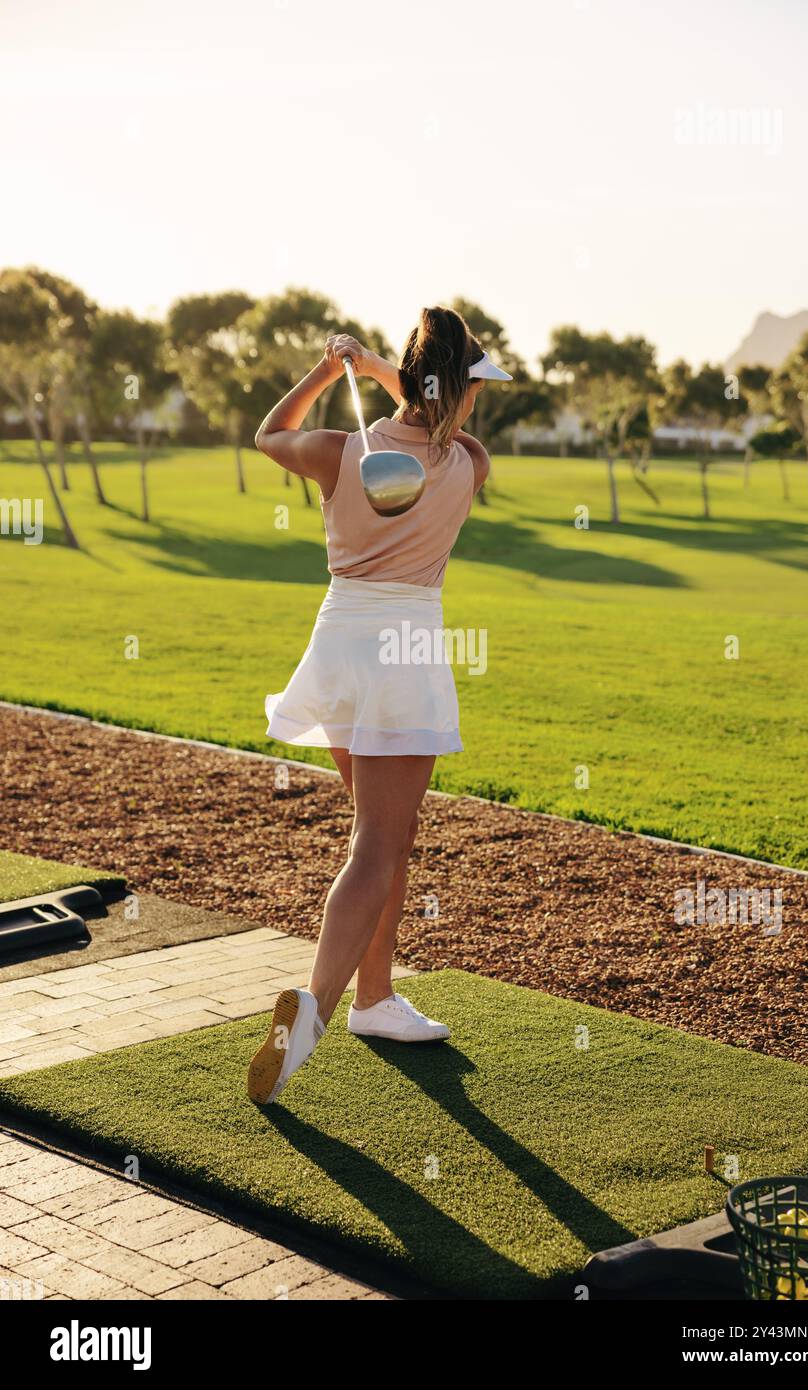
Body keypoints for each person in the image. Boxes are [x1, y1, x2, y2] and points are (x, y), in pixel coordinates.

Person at [247, 305, 511, 1103]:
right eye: (474, 389)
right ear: (459, 391)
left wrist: (337, 370)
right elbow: (437, 413)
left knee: (381, 836)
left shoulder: (338, 451)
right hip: (403, 656)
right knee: (378, 844)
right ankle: (313, 1016)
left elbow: (267, 433)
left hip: (336, 644)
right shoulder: (466, 461)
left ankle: (375, 1000)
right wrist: (375, 369)